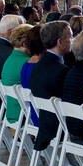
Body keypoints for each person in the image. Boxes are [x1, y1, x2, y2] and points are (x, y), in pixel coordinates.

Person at [29, 21, 72, 152]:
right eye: (70, 37)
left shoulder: (37, 66)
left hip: (44, 123)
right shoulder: (61, 70)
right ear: (60, 42)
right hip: (59, 127)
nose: (72, 40)